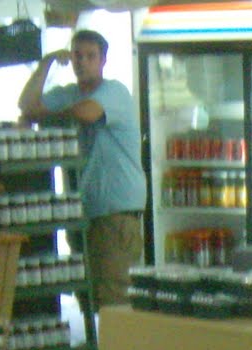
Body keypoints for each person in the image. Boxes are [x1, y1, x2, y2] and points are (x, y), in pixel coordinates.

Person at [19, 30, 147, 307]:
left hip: (115, 214)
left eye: (90, 56)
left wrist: (46, 117)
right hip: (84, 212)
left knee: (114, 297)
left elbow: (85, 113)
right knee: (90, 298)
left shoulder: (114, 91)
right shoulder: (68, 94)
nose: (82, 62)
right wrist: (48, 62)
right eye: (77, 55)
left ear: (103, 60)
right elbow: (27, 106)